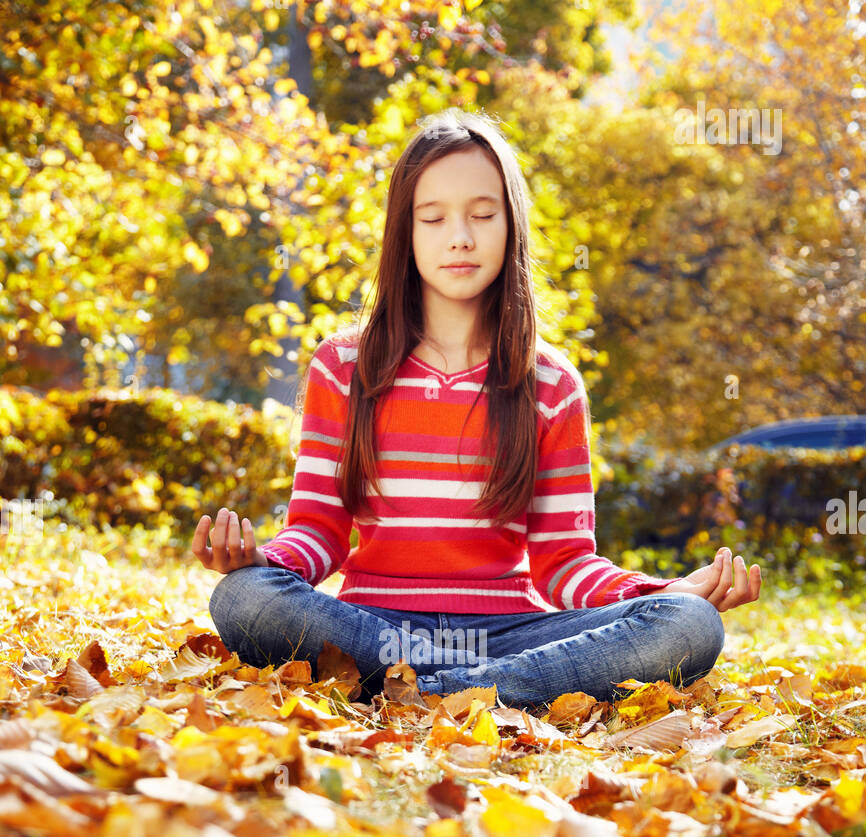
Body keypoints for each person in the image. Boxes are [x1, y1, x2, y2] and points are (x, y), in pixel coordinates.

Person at [194, 109, 761, 708]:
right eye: (433, 218)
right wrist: (263, 560)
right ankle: (470, 691)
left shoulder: (551, 383)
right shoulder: (343, 366)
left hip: (509, 638)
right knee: (242, 597)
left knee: (689, 624)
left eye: (483, 216)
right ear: (404, 233)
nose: (460, 236)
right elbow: (318, 532)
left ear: (510, 226)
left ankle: (439, 691)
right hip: (374, 631)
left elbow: (565, 564)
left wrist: (664, 591)